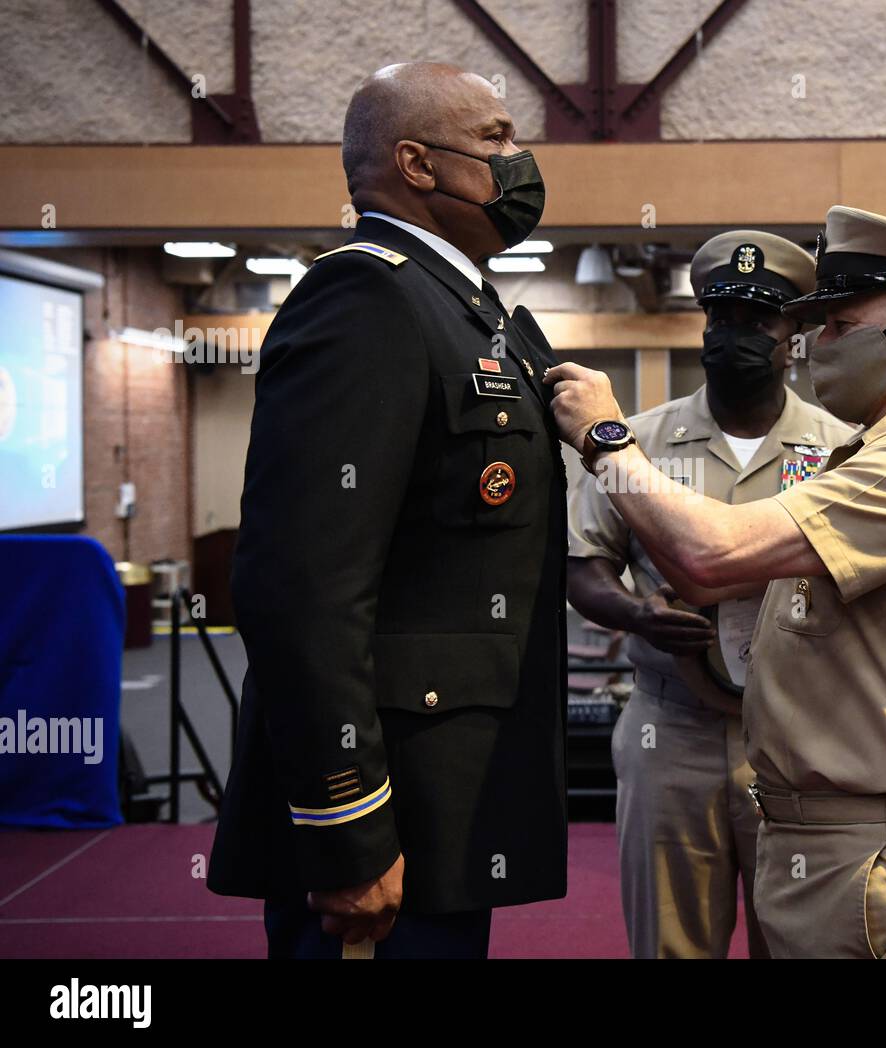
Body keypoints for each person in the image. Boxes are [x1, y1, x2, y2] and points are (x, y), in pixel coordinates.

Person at [544, 206, 886, 958]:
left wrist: (605, 439)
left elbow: (710, 554)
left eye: (837, 324)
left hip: (876, 847)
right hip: (814, 815)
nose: (815, 345)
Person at [207, 63, 568, 959]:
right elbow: (302, 586)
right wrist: (346, 829)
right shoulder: (366, 296)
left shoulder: (461, 308)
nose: (518, 158)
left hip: (449, 798)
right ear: (416, 163)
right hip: (387, 814)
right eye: (494, 139)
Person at [567, 231, 853, 958]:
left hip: (798, 741)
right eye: (721, 319)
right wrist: (638, 613)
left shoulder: (845, 448)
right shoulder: (636, 442)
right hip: (672, 733)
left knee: (794, 944)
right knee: (670, 945)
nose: (736, 336)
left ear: (796, 334)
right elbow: (582, 563)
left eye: (759, 322)